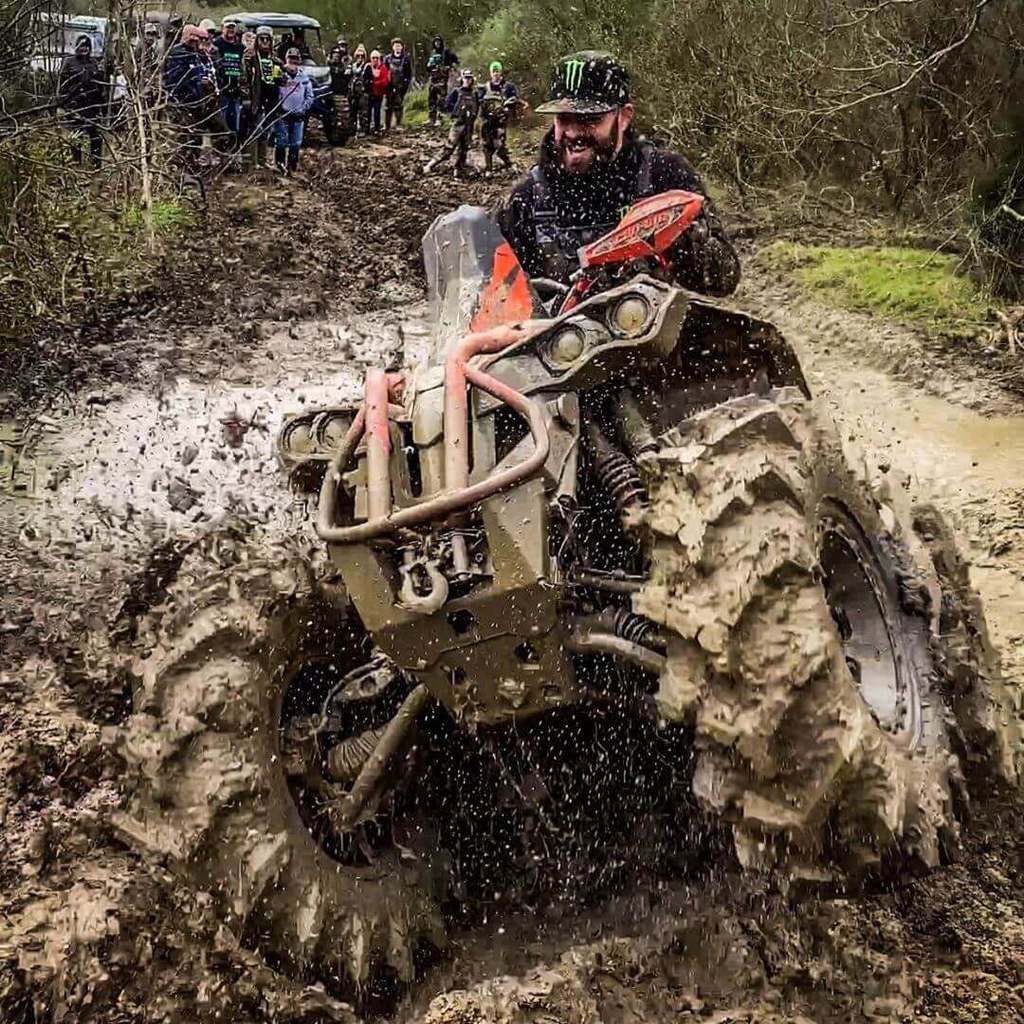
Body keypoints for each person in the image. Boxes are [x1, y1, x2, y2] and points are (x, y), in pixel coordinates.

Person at [497, 51, 740, 295]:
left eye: (589, 119)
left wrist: (687, 239)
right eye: (564, 119)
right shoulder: (527, 198)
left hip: (649, 317)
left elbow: (722, 281)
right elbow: (490, 291)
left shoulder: (665, 175)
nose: (573, 133)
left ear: (624, 117)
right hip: (560, 319)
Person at [164, 25, 213, 161]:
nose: (195, 40)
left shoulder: (195, 54)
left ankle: (192, 162)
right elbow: (177, 79)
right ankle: (179, 163)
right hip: (180, 101)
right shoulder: (178, 53)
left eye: (197, 38)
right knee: (182, 136)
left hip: (195, 101)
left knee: (195, 137)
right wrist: (196, 82)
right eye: (192, 37)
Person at [57, 35, 105, 167]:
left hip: (92, 106)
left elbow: (100, 85)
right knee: (76, 136)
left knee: (95, 136)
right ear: (77, 47)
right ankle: (76, 164)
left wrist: (101, 104)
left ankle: (96, 165)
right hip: (75, 105)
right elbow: (62, 85)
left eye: (87, 46)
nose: (84, 49)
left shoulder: (94, 63)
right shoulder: (69, 62)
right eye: (82, 46)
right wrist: (64, 103)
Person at [426, 68, 479, 179]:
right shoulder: (456, 92)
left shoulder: (475, 94)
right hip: (457, 124)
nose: (467, 80)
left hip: (469, 126)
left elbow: (477, 108)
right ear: (462, 79)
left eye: (469, 78)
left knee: (463, 150)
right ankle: (430, 165)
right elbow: (446, 105)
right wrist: (454, 112)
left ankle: (458, 170)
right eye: (466, 78)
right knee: (449, 148)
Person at [245, 25, 282, 168]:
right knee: (256, 129)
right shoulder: (251, 57)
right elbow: (245, 78)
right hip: (256, 98)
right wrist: (247, 97)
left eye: (268, 39)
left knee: (267, 130)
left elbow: (280, 79)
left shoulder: (275, 59)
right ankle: (252, 162)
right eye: (262, 39)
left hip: (271, 98)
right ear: (257, 41)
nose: (265, 42)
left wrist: (281, 78)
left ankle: (263, 160)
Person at [477, 61, 520, 176]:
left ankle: (509, 164)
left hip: (500, 121)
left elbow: (515, 100)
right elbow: (478, 102)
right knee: (487, 145)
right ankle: (488, 169)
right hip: (487, 121)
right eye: (493, 71)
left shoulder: (508, 87)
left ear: (501, 72)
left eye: (497, 71)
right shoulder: (484, 88)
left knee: (500, 145)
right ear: (490, 73)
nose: (496, 74)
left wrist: (509, 106)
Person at [276, 47, 314, 173]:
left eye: (296, 59)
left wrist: (303, 108)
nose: (293, 61)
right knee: (281, 141)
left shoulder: (304, 77)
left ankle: (292, 167)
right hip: (282, 114)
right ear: (286, 59)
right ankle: (279, 165)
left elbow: (310, 96)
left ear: (299, 60)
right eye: (291, 58)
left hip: (298, 114)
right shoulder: (280, 75)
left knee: (296, 142)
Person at [213, 16, 246, 147]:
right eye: (228, 28)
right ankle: (221, 151)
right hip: (222, 92)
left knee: (234, 126)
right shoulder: (216, 45)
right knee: (222, 126)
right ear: (222, 28)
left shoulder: (240, 47)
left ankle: (233, 151)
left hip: (236, 92)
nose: (231, 30)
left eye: (233, 28)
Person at [426, 35, 458, 127]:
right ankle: (431, 118)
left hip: (443, 78)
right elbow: (428, 66)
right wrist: (429, 66)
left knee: (441, 100)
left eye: (438, 42)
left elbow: (455, 60)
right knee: (431, 98)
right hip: (433, 78)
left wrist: (449, 67)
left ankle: (440, 118)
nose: (437, 44)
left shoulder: (446, 52)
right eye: (435, 42)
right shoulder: (433, 53)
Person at [384, 38, 412, 130]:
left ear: (402, 47)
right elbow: (384, 71)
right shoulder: (387, 59)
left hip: (401, 86)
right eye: (396, 46)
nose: (397, 48)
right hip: (389, 85)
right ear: (392, 47)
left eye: (399, 46)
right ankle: (387, 125)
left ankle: (398, 124)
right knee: (388, 106)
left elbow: (408, 74)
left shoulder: (406, 59)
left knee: (398, 105)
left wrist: (405, 84)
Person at [327, 43, 352, 144]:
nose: (336, 55)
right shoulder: (326, 65)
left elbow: (347, 78)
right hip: (326, 91)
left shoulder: (343, 66)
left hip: (339, 93)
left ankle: (341, 134)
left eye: (338, 54)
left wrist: (348, 70)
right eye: (334, 53)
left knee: (342, 114)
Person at [365, 50, 390, 136]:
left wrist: (374, 83)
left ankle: (377, 128)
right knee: (367, 112)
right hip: (369, 93)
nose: (375, 59)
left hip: (379, 93)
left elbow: (385, 81)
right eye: (373, 58)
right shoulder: (368, 67)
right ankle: (367, 129)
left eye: (377, 58)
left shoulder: (383, 67)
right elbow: (365, 79)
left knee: (377, 111)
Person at [350, 44, 369, 136]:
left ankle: (363, 129)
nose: (360, 57)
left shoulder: (367, 66)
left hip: (363, 91)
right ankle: (352, 129)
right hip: (353, 91)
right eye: (358, 55)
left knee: (363, 112)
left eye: (362, 56)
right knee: (352, 111)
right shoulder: (352, 66)